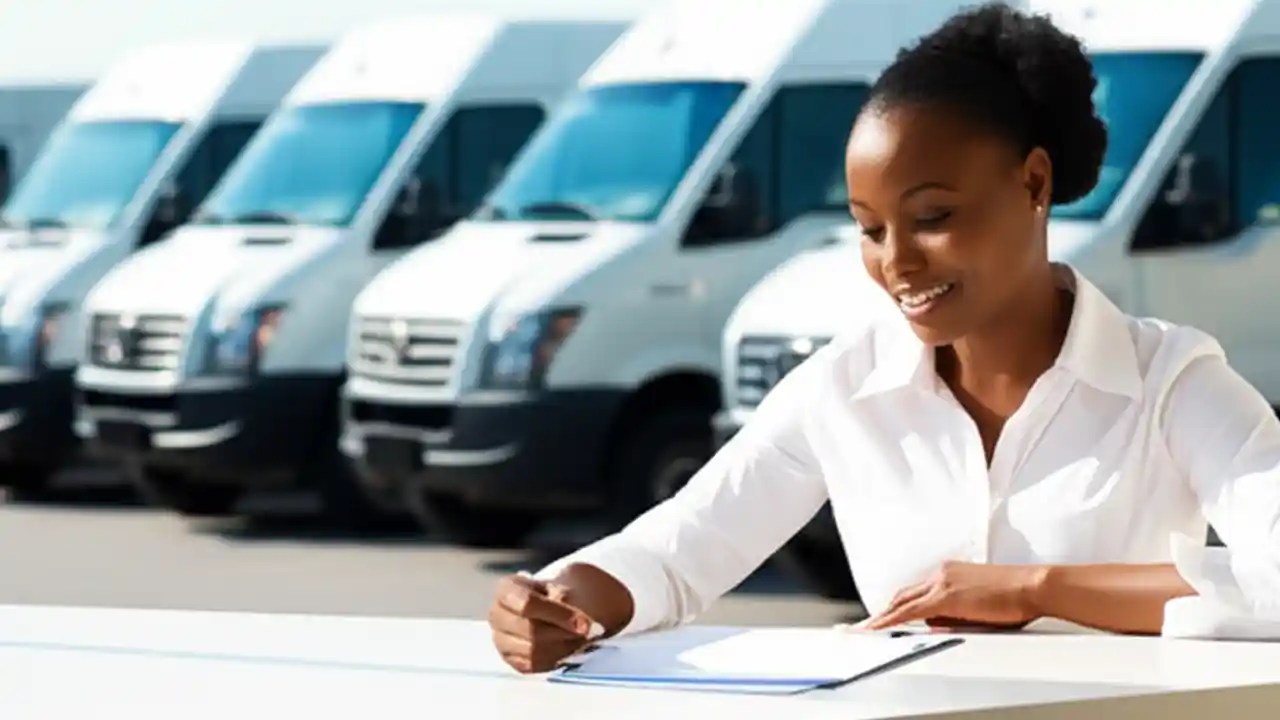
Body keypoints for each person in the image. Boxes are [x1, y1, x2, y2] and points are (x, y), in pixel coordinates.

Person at [487, 2, 1280, 674]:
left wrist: (1038, 588)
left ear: (1034, 183)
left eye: (933, 218)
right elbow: (675, 552)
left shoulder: (1171, 381)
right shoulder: (845, 387)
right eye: (871, 229)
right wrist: (563, 604)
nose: (895, 262)